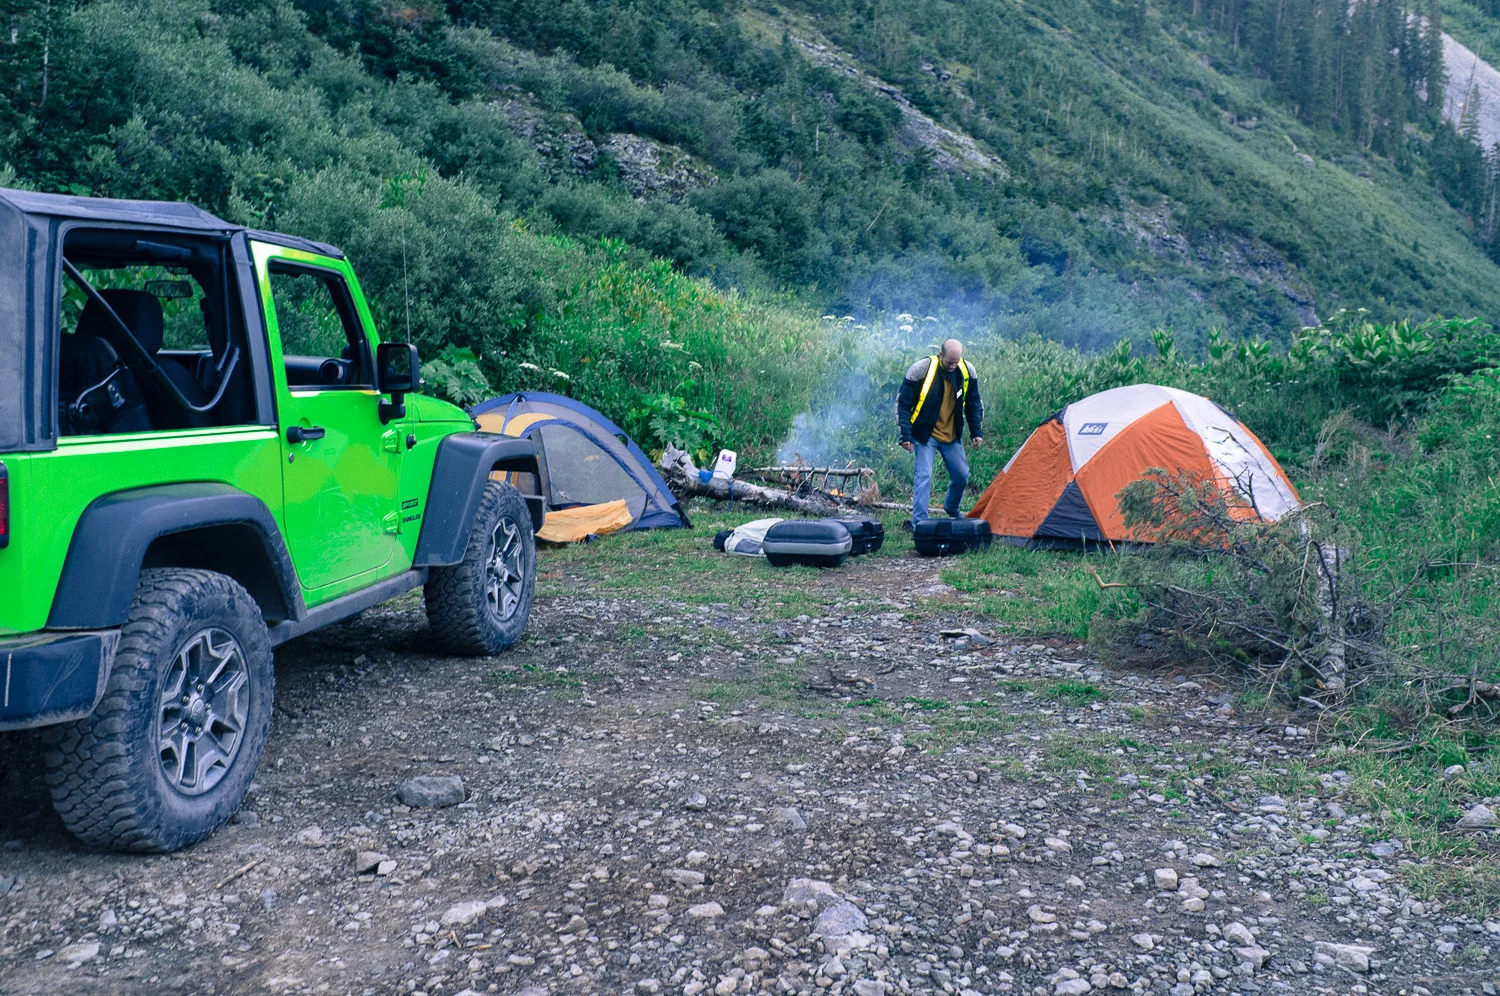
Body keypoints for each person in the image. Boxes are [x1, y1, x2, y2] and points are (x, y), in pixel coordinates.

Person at [895, 338, 984, 526]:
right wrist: (905, 435)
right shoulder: (921, 369)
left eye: (956, 362)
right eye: (949, 362)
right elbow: (903, 404)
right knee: (924, 476)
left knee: (961, 475)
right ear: (940, 354)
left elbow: (974, 403)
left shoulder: (967, 371)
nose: (952, 366)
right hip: (925, 435)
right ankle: (919, 523)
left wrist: (976, 432)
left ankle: (952, 508)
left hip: (951, 435)